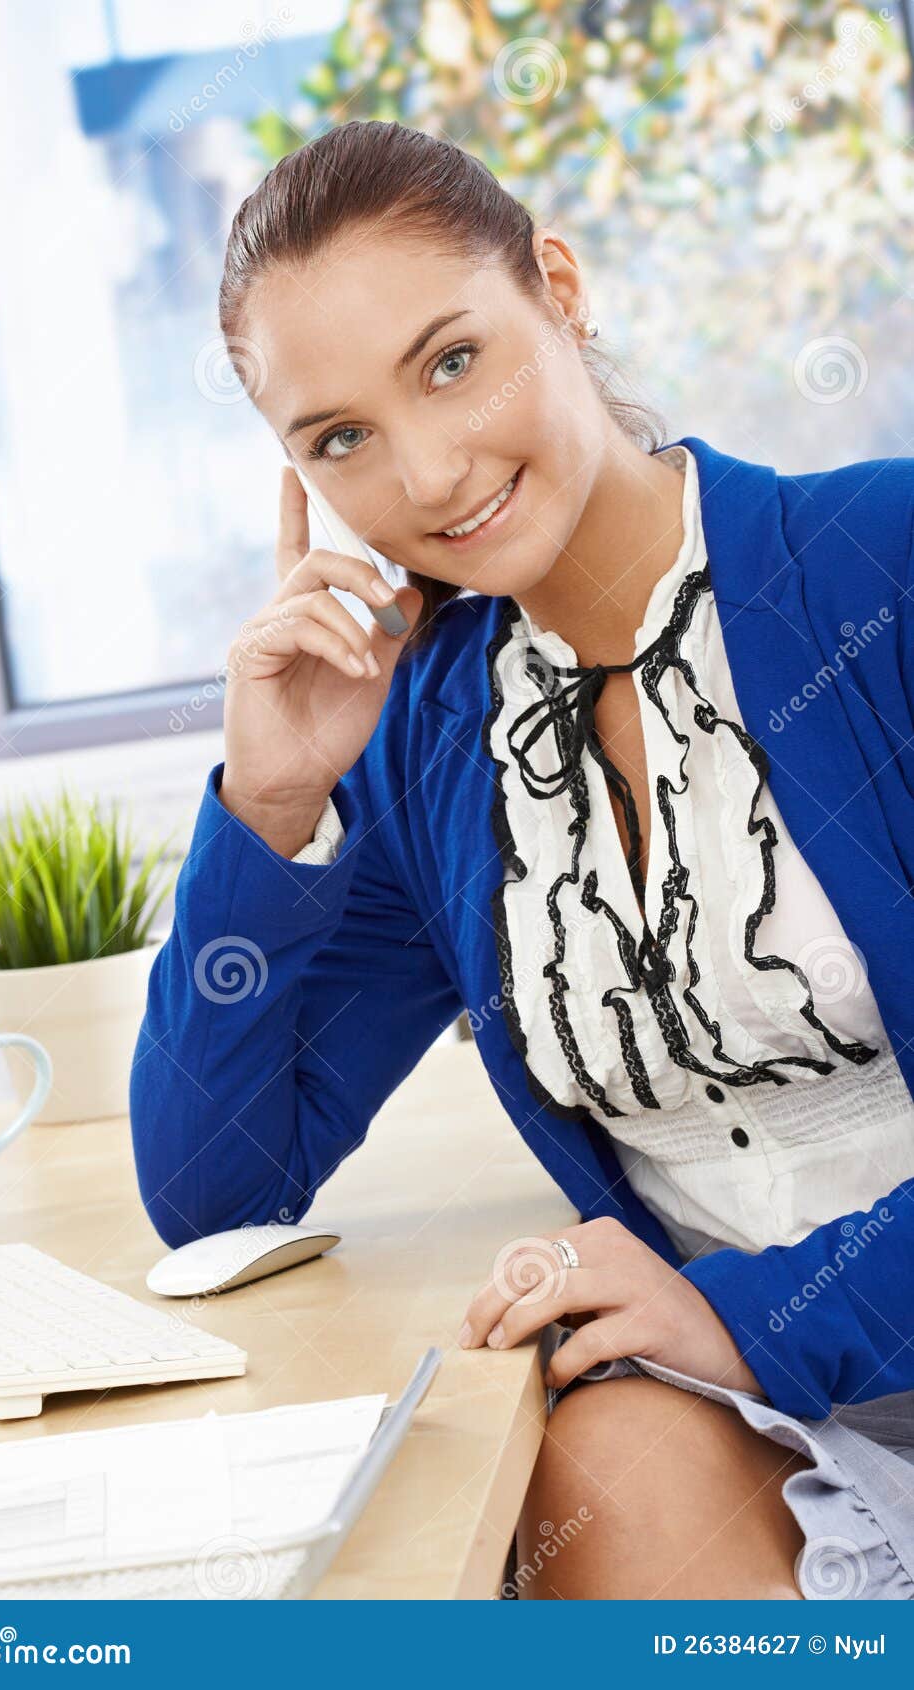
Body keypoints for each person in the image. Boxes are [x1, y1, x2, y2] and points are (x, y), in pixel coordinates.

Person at [130, 120, 914, 1599]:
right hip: (781, 1426)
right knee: (589, 1464)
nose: (429, 474)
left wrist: (752, 1320)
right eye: (340, 439)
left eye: (451, 362)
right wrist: (269, 803)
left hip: (790, 1343)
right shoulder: (435, 735)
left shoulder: (884, 565)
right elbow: (215, 1192)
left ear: (557, 288)